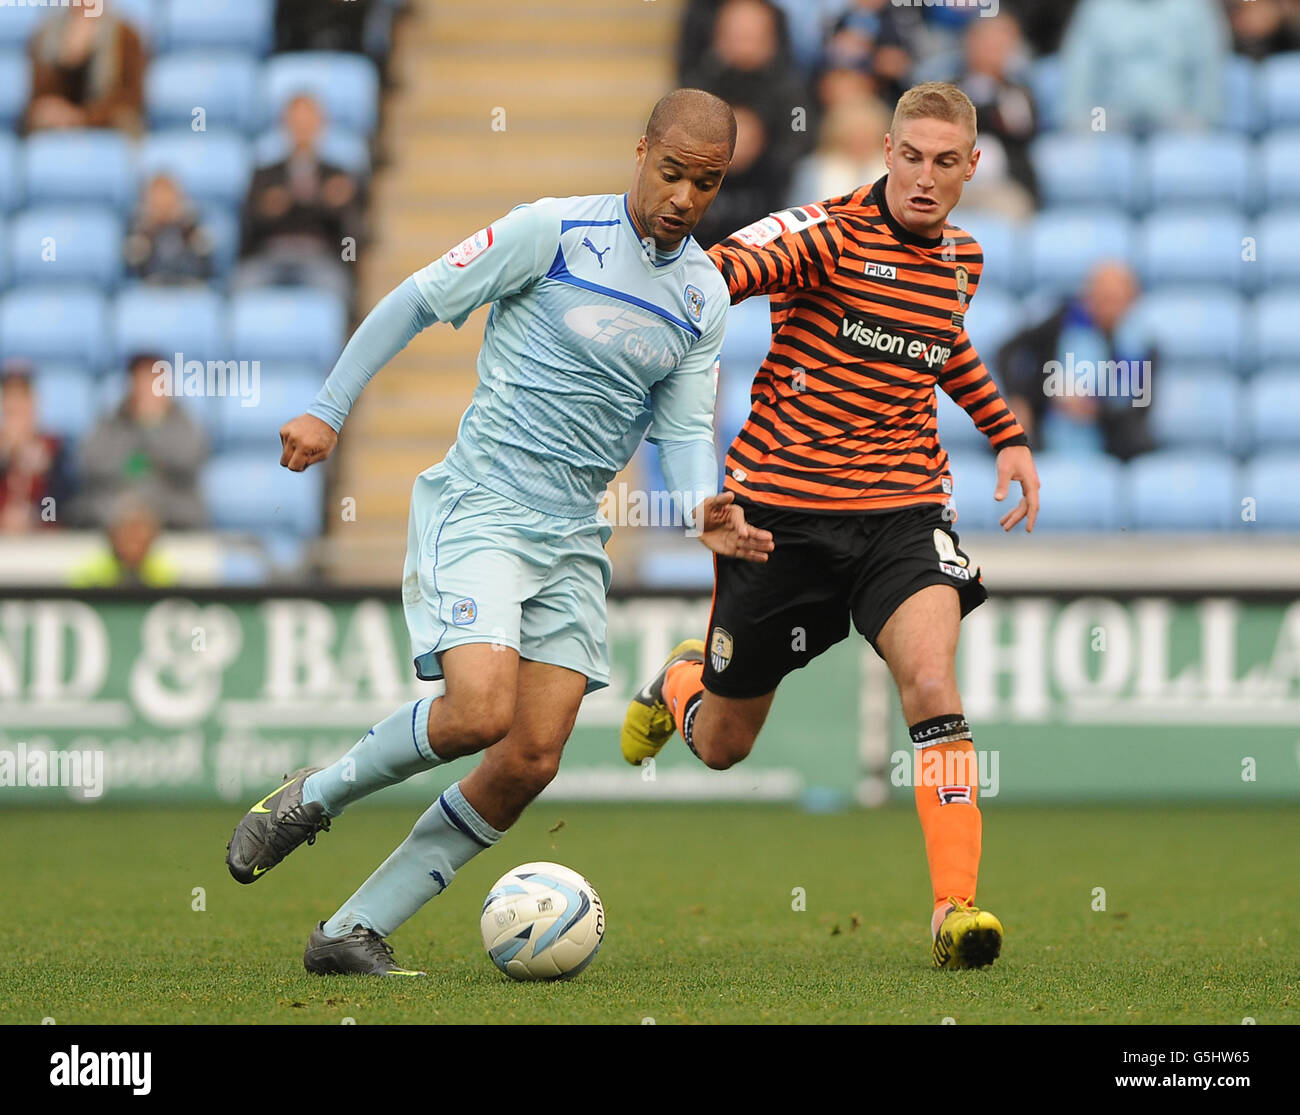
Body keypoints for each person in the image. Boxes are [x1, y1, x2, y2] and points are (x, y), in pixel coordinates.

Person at [224, 90, 775, 976]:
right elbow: (413, 299)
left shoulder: (704, 294)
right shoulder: (550, 232)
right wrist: (327, 409)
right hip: (482, 504)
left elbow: (681, 430)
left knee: (530, 758)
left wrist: (701, 506)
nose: (683, 196)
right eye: (671, 171)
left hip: (571, 534)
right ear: (640, 150)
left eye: (704, 183)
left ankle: (350, 931)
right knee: (478, 710)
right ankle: (310, 800)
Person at [621, 82, 1041, 971]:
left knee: (931, 679)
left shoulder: (963, 258)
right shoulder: (818, 233)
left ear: (970, 168)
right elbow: (709, 279)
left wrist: (1005, 434)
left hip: (901, 509)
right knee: (727, 746)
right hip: (780, 519)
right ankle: (683, 684)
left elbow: (942, 342)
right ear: (886, 152)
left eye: (945, 162)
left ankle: (953, 909)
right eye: (911, 157)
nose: (925, 178)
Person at [998, 260, 1156, 461]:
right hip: (1046, 433)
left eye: (1116, 299)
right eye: (1102, 297)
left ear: (1131, 301)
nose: (1107, 307)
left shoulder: (1142, 346)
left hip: (1112, 443)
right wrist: (1018, 398)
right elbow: (1007, 350)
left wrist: (1095, 410)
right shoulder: (1061, 322)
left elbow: (1138, 412)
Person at [234, 94, 363, 305]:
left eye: (307, 121)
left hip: (318, 256)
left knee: (336, 287)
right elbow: (249, 220)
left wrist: (337, 206)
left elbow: (351, 232)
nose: (302, 128)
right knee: (243, 285)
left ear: (320, 125)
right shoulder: (264, 174)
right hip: (271, 254)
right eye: (296, 121)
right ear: (285, 125)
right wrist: (269, 209)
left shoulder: (337, 176)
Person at [75, 354, 210, 531]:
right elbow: (92, 464)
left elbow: (189, 461)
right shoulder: (111, 422)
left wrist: (152, 428)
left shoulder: (184, 423)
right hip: (116, 514)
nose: (147, 390)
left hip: (172, 516)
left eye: (154, 382)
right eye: (142, 382)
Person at [25, 0, 145, 135]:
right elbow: (40, 96)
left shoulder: (126, 35)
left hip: (106, 124)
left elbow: (132, 98)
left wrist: (84, 117)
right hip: (58, 126)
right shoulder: (46, 36)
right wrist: (69, 60)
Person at [0, 363, 72, 534]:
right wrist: (7, 458)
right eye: (11, 398)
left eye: (22, 398)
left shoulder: (54, 447)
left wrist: (47, 472)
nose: (16, 406)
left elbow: (63, 506)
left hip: (41, 543)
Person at [68, 491, 180, 588]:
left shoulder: (163, 574)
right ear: (112, 534)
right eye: (128, 528)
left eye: (140, 529)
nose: (134, 537)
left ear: (153, 537)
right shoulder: (90, 573)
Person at [124, 173, 215, 285]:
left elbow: (206, 266)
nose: (163, 200)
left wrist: (187, 229)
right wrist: (148, 232)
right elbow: (132, 269)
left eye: (167, 194)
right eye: (157, 195)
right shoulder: (139, 226)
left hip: (188, 285)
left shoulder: (192, 223)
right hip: (151, 287)